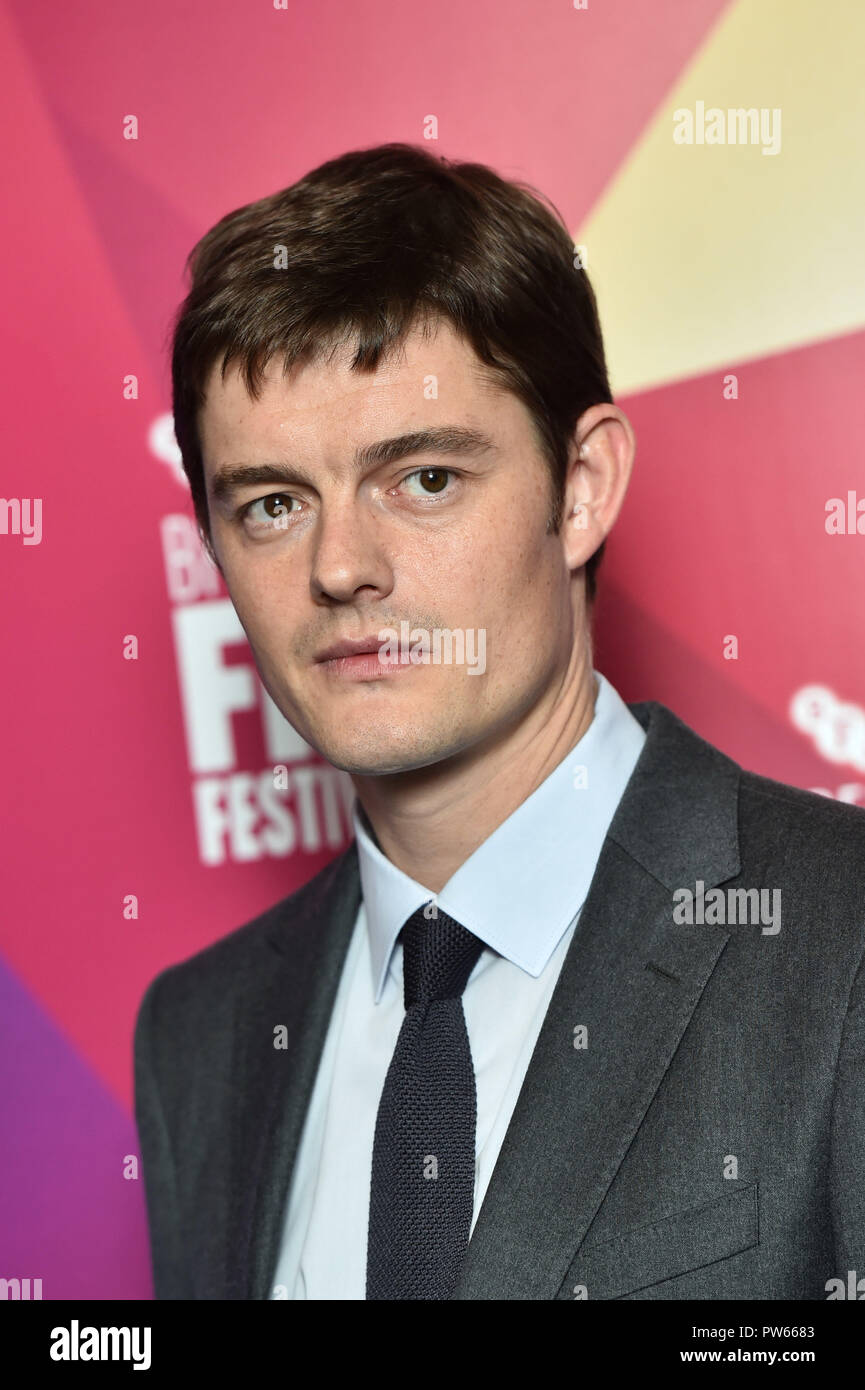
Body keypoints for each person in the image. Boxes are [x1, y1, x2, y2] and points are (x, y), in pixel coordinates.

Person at [134, 142, 865, 1300]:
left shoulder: (839, 941)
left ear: (579, 489)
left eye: (422, 478)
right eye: (273, 504)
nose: (339, 567)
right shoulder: (201, 1033)